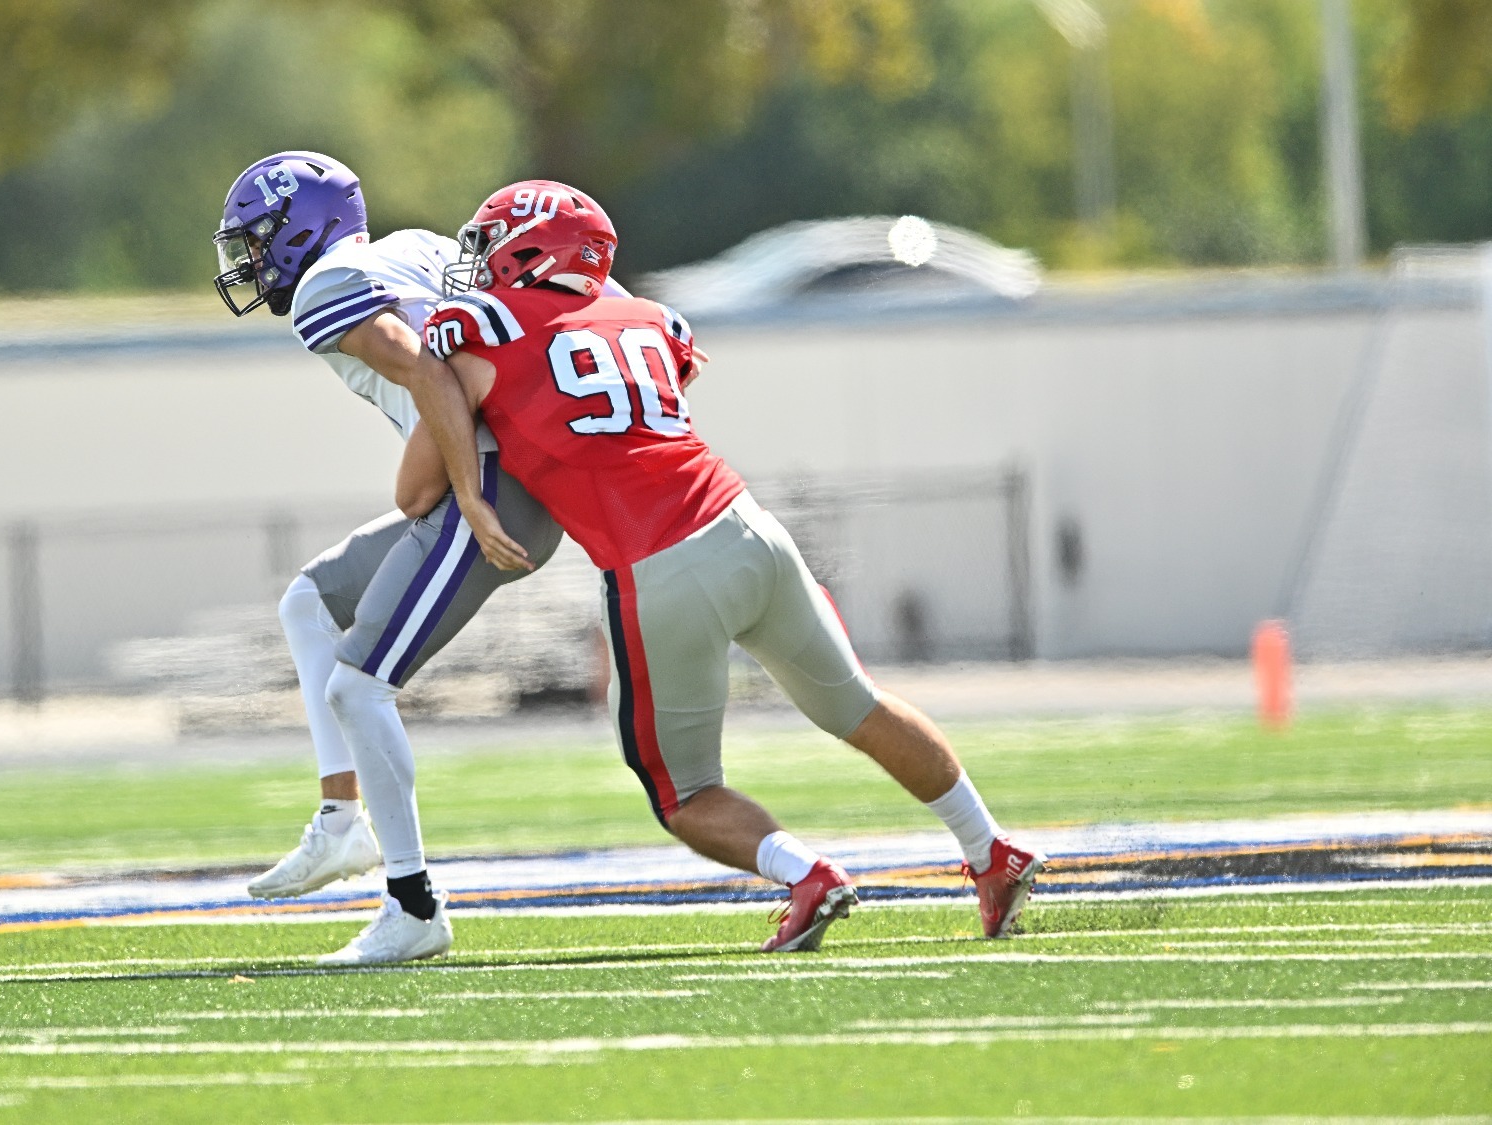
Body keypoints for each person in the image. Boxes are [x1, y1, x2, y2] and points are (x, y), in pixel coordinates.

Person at [411, 181, 1046, 945]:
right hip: (749, 527)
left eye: (489, 246)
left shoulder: (482, 328)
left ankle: (806, 872)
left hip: (658, 565)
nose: (477, 267)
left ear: (532, 247)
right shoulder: (651, 318)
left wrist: (468, 460)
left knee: (684, 795)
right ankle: (991, 848)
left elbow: (420, 441)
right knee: (863, 708)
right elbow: (674, 373)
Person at [214, 151, 582, 964]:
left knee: (357, 685)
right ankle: (341, 821)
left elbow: (432, 373)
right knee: (307, 601)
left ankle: (413, 907)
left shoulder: (325, 284)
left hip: (484, 482)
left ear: (299, 230)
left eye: (256, 239)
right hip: (511, 467)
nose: (248, 260)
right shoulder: (415, 247)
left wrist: (470, 492)